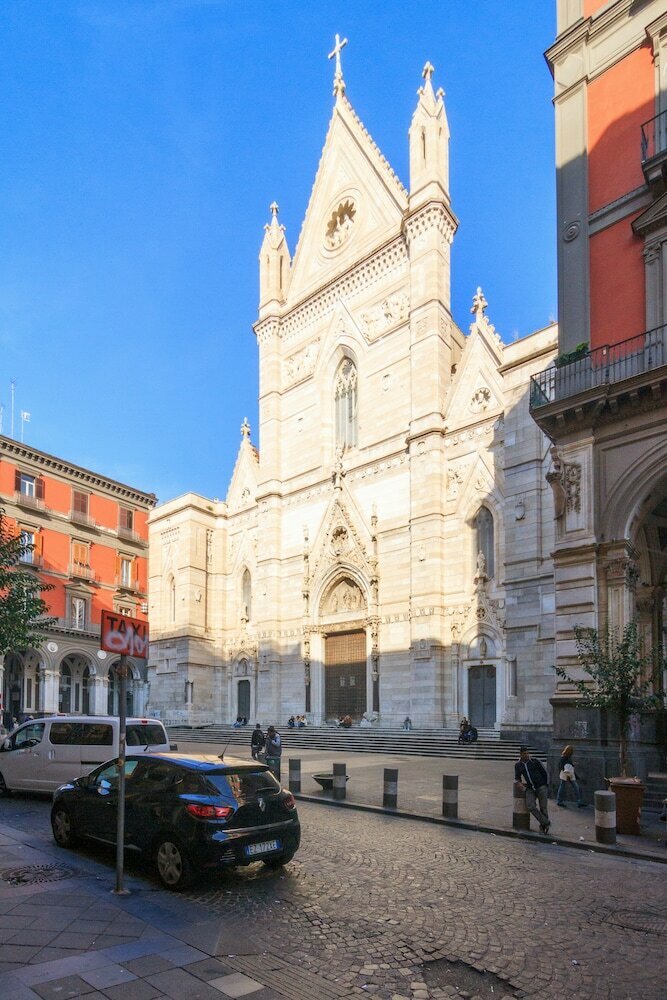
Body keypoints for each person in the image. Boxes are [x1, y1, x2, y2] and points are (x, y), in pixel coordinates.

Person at [515, 746, 551, 834]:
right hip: (530, 788)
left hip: (541, 786)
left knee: (543, 807)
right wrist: (519, 783)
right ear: (520, 755)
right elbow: (517, 777)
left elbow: (545, 773)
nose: (526, 755)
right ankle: (546, 822)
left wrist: (546, 785)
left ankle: (543, 827)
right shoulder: (518, 765)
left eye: (527, 753)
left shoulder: (535, 761)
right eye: (524, 754)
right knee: (530, 805)